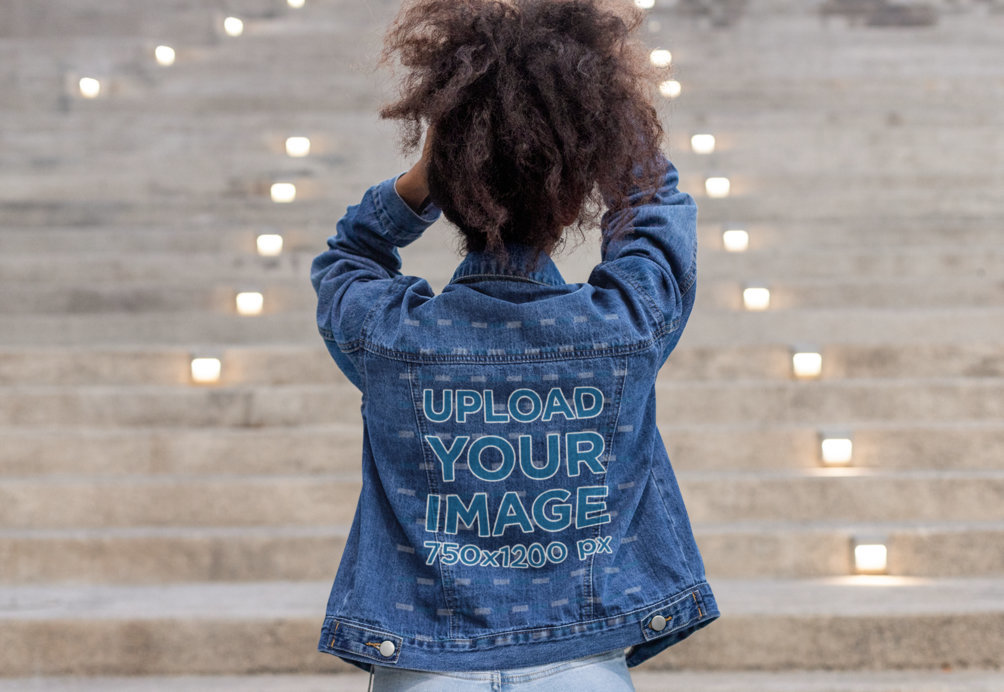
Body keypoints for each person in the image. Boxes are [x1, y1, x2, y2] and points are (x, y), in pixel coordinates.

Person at [309, 0, 720, 689]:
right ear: (571, 191)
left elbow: (348, 257)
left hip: (424, 666)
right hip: (581, 664)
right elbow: (654, 214)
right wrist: (607, 121)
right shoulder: (624, 326)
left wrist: (417, 185)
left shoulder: (391, 335)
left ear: (451, 184)